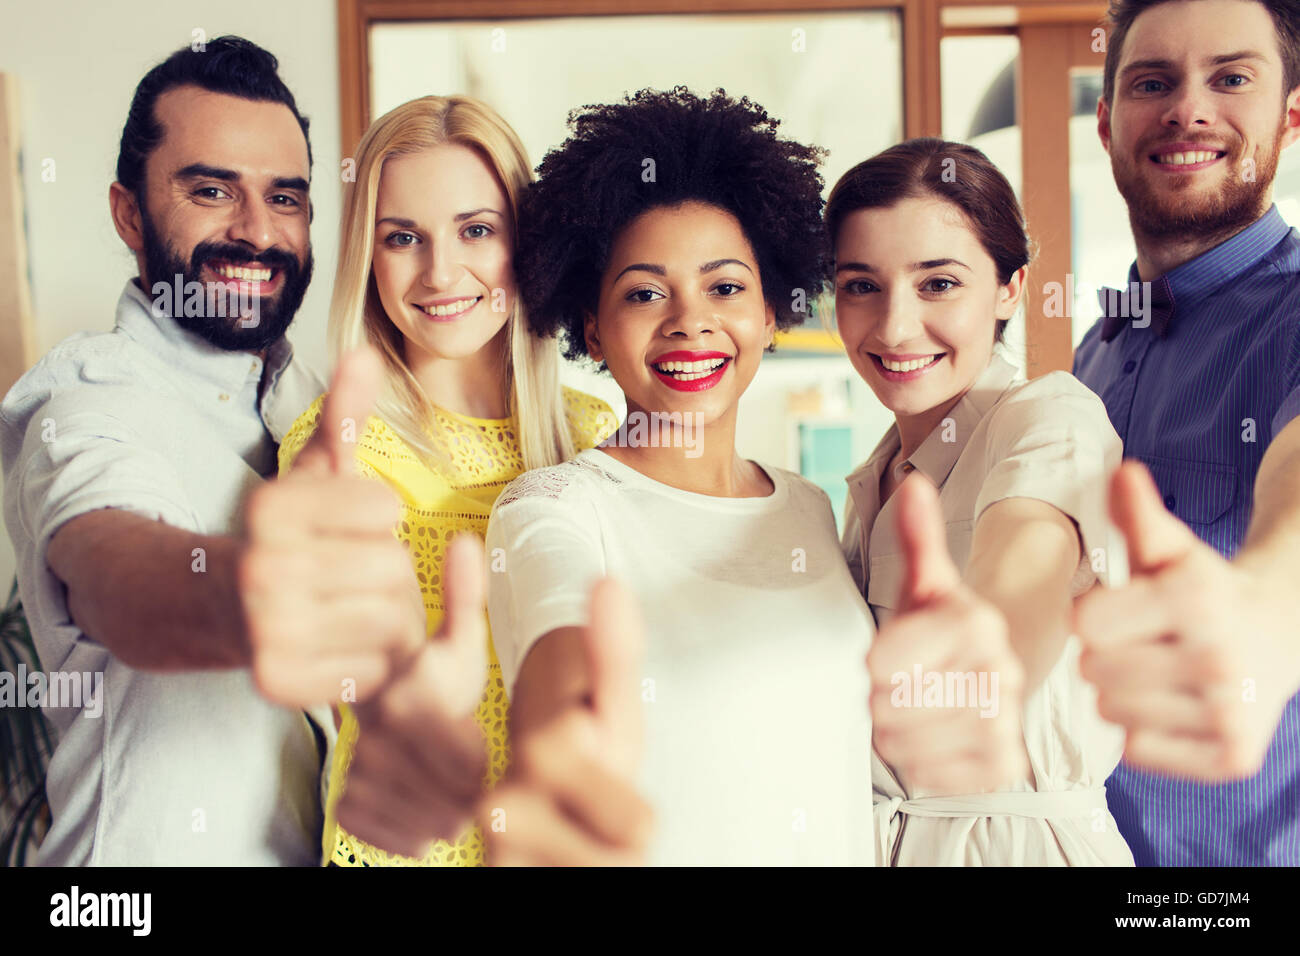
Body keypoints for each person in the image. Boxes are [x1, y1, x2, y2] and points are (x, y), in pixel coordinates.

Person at [480, 89, 1027, 866]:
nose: (689, 321)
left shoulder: (809, 507)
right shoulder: (553, 509)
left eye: (725, 287)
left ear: (771, 314)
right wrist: (560, 742)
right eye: (644, 293)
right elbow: (559, 651)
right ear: (592, 328)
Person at [265, 95, 614, 867]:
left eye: (476, 230)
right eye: (403, 238)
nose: (441, 272)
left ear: (523, 241)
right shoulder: (336, 451)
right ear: (368, 256)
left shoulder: (595, 436)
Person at [829, 138, 1133, 866]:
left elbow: (1030, 545)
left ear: (1009, 288)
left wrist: (992, 645)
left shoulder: (1048, 415)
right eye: (861, 285)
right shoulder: (872, 480)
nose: (895, 326)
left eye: (938, 284)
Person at [1071, 0, 1300, 865]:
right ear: (1107, 123)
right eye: (1152, 83)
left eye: (1230, 78)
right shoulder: (1094, 352)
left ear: (1291, 115)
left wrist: (1269, 614)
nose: (1188, 110)